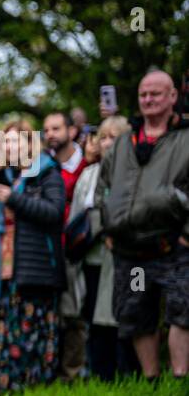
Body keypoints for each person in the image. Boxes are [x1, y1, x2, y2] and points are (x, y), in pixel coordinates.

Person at [95, 69, 189, 379]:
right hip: (129, 251)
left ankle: (179, 377)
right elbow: (102, 186)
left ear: (172, 96)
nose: (148, 99)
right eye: (143, 94)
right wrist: (105, 226)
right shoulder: (124, 142)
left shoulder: (184, 138)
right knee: (136, 313)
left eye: (156, 93)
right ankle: (150, 380)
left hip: (172, 246)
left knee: (182, 311)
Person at [0, 119, 67, 394]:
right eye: (5, 142)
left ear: (29, 143)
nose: (9, 147)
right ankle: (4, 386)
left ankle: (36, 387)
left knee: (31, 327)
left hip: (35, 268)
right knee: (2, 326)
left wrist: (13, 199)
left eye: (15, 141)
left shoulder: (46, 173)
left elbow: (54, 213)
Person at [68, 116, 136, 380]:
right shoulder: (88, 174)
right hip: (94, 259)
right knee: (96, 316)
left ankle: (132, 373)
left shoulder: (135, 170)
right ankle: (102, 376)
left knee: (130, 311)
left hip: (130, 260)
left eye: (113, 137)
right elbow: (77, 218)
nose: (107, 142)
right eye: (103, 137)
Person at [44, 111, 89, 381]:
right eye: (46, 129)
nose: (50, 134)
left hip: (77, 247)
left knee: (75, 311)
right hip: (50, 248)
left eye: (56, 128)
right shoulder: (44, 165)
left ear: (72, 131)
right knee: (55, 312)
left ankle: (73, 372)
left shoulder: (86, 164)